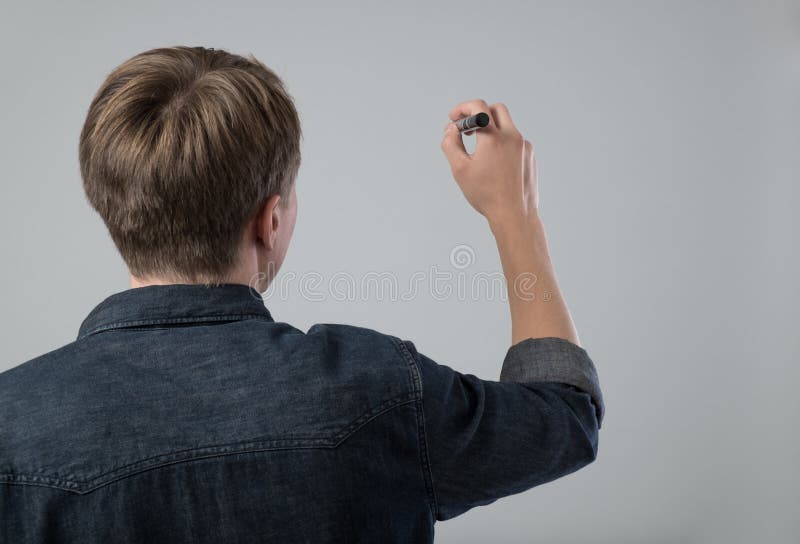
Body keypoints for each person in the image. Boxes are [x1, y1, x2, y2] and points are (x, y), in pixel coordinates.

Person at [0, 46, 604, 543]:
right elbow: (564, 416)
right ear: (270, 220)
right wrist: (514, 216)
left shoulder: (11, 423)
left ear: (112, 209)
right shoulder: (378, 389)